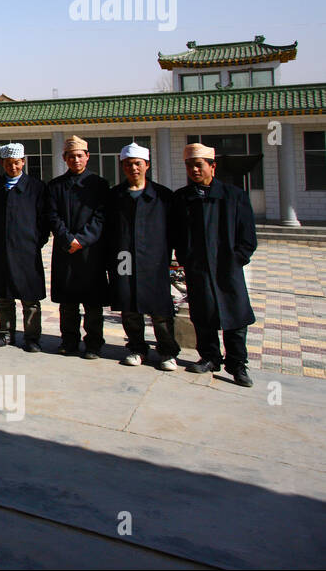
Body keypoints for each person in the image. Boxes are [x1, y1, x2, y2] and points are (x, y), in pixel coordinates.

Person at [174, 142, 257, 387]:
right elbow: (177, 233)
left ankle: (237, 365)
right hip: (198, 267)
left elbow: (248, 235)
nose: (194, 170)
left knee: (236, 316)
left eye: (199, 165)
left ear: (213, 166)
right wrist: (185, 257)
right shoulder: (183, 198)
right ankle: (209, 357)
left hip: (227, 267)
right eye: (189, 166)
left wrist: (237, 258)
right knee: (202, 313)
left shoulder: (234, 196)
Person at [106, 143, 181, 370]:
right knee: (129, 307)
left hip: (154, 260)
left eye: (137, 164)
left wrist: (176, 258)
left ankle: (167, 351)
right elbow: (108, 230)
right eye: (128, 164)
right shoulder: (115, 196)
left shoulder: (163, 196)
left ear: (146, 165)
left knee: (159, 309)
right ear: (122, 166)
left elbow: (174, 230)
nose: (133, 168)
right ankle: (137, 348)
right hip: (124, 259)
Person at [47, 135, 110, 358]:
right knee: (68, 302)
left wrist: (82, 240)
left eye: (79, 156)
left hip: (91, 252)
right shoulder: (55, 186)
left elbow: (101, 217)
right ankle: (69, 341)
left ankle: (93, 343)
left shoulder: (99, 185)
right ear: (65, 158)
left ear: (87, 157)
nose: (76, 160)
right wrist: (67, 239)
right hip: (65, 251)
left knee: (93, 303)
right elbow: (52, 216)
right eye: (71, 156)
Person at [0, 143, 49, 351]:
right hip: (1, 250)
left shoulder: (37, 187)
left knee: (30, 297)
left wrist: (34, 241)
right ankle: (5, 333)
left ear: (23, 162)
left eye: (17, 163)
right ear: (3, 163)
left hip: (26, 251)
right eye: (9, 163)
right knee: (4, 295)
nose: (13, 167)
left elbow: (43, 220)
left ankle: (31, 337)